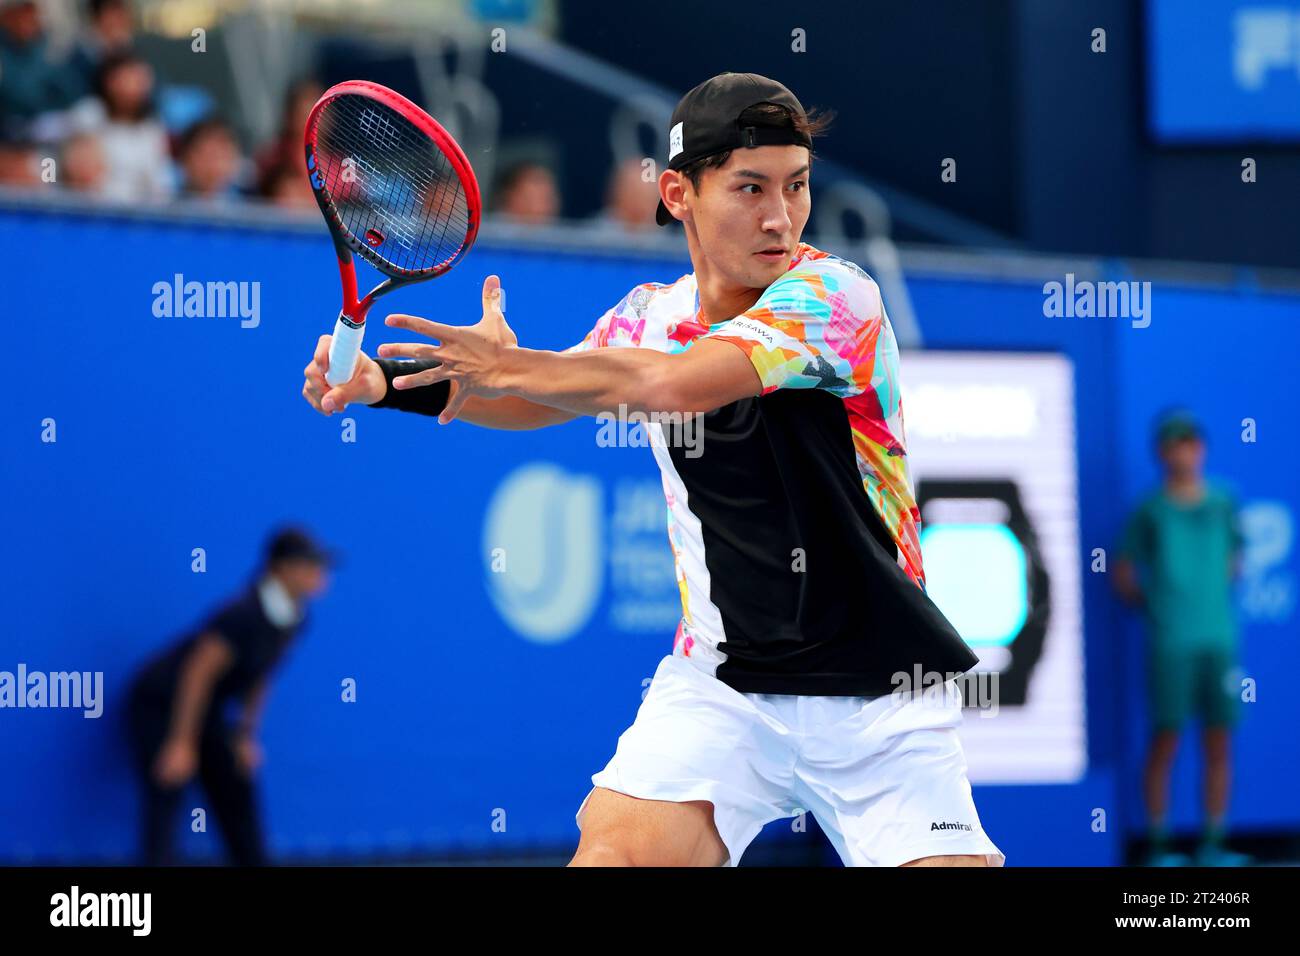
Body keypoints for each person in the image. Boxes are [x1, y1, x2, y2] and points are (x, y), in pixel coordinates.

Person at [301, 72, 1003, 867]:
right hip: (723, 691)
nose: (780, 215)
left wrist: (512, 365)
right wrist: (382, 385)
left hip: (885, 702)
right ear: (677, 193)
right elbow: (547, 398)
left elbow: (665, 384)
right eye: (750, 187)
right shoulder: (646, 316)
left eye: (797, 186)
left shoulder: (835, 298)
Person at [125, 527, 333, 865]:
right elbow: (196, 674)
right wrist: (180, 741)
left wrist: (245, 735)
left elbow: (262, 675)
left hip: (208, 712)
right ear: (281, 568)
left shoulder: (297, 616)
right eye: (311, 564)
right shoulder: (243, 613)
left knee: (237, 787)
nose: (320, 575)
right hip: (160, 705)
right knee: (169, 787)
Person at [1115, 409, 1250, 867]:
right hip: (1171, 645)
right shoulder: (1150, 510)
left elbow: (1236, 562)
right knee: (1166, 739)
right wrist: (1161, 609)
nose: (1185, 451)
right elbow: (1124, 573)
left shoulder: (1225, 502)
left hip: (1219, 641)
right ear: (1162, 452)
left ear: (1202, 448)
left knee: (1219, 741)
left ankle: (1214, 843)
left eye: (1192, 441)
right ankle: (1159, 845)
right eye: (1176, 443)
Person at [490, 160, 559, 226]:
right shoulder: (486, 232)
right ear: (510, 197)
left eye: (549, 198)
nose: (546, 208)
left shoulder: (558, 234)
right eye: (533, 199)